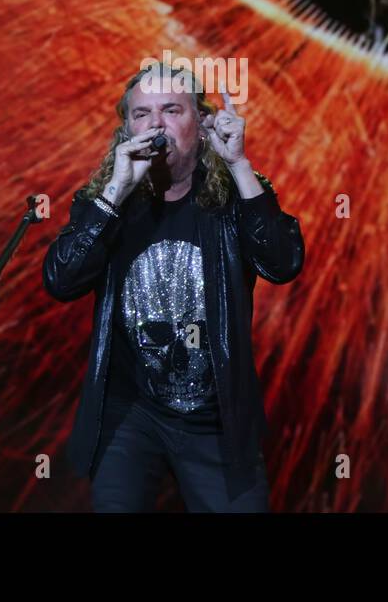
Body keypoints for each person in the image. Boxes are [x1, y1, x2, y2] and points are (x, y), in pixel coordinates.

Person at [41, 61, 305, 511]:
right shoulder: (105, 200)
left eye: (170, 110)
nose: (155, 125)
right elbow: (61, 280)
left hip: (215, 415)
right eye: (141, 114)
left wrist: (239, 164)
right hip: (131, 412)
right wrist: (113, 196)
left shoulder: (234, 195)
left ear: (201, 124)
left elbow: (282, 263)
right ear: (126, 129)